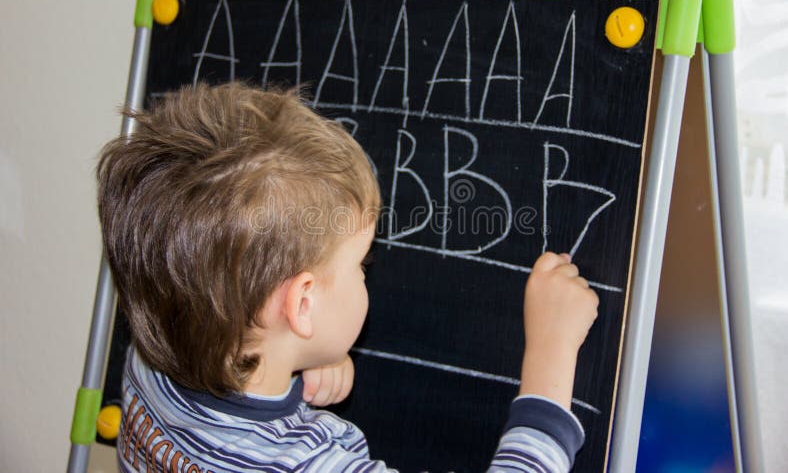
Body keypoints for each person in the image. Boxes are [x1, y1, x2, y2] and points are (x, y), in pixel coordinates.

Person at [96, 82, 599, 472]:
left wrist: (298, 362)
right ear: (303, 305)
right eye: (361, 263)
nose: (367, 273)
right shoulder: (308, 464)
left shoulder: (151, 364)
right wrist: (550, 357)